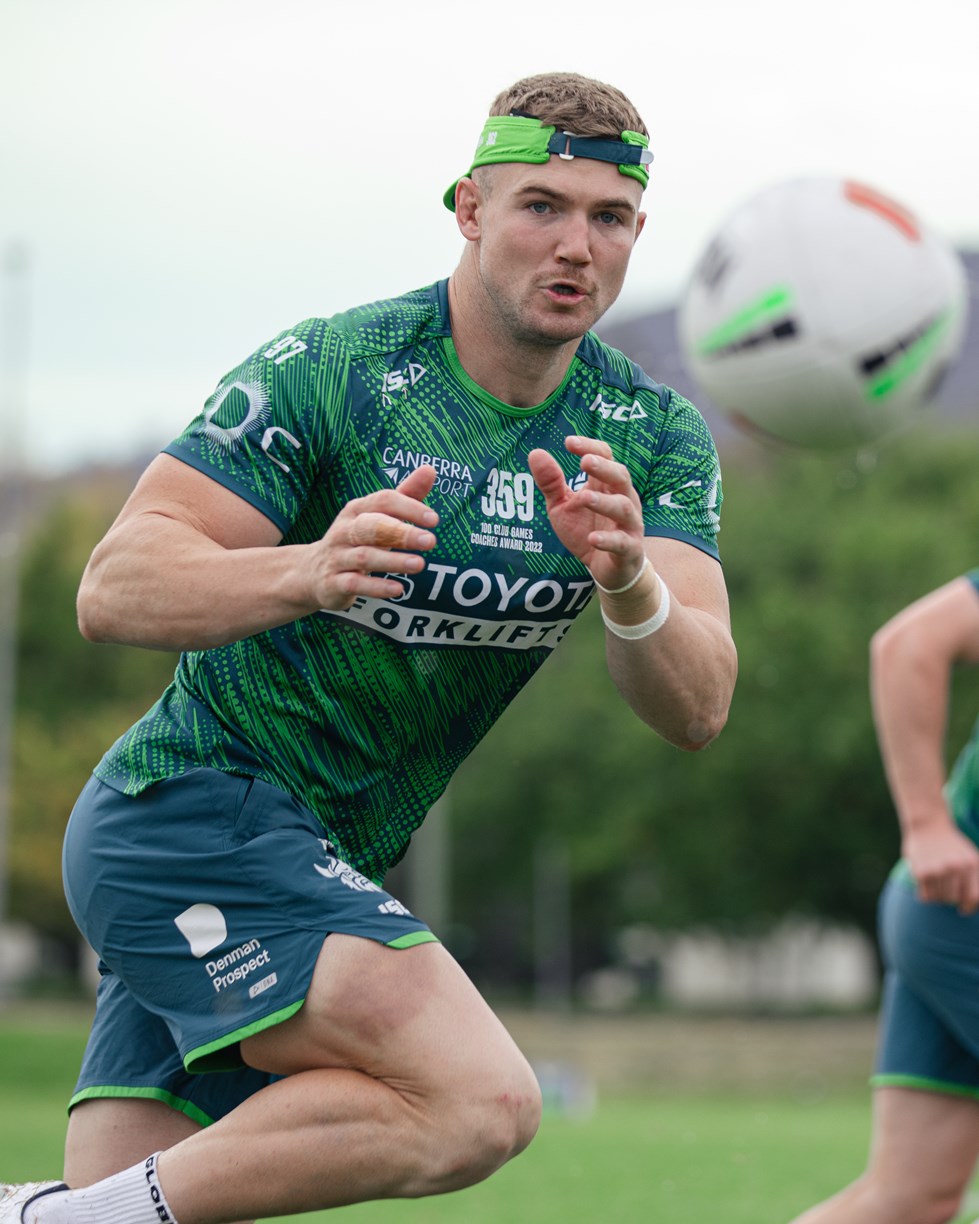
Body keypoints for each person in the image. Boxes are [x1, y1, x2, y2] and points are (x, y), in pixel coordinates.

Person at [1, 70, 736, 1224]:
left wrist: (629, 581)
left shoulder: (647, 434)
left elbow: (697, 704)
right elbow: (115, 584)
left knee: (131, 1208)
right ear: (468, 209)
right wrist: (311, 568)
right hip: (188, 814)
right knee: (481, 1100)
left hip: (313, 862)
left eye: (609, 218)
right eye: (541, 204)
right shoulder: (334, 370)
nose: (575, 246)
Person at [791, 570, 979, 1224]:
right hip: (962, 912)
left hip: (936, 919)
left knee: (907, 1199)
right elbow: (908, 645)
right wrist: (925, 823)